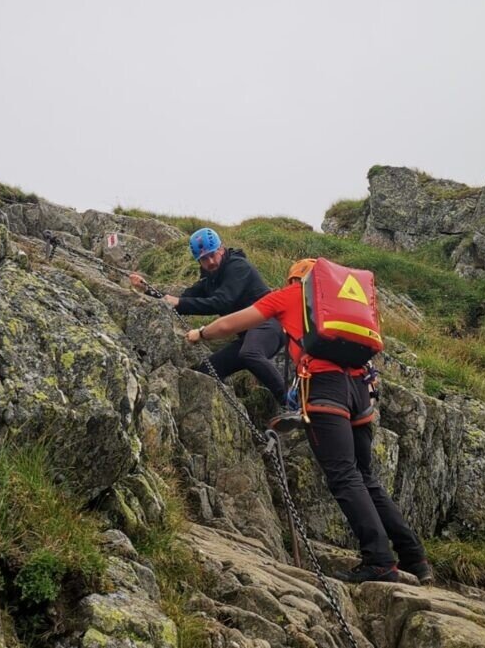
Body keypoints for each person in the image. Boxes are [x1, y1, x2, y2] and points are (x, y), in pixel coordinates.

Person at [184, 258, 433, 585]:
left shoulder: (289, 296)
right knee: (366, 477)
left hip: (324, 388)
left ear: (294, 279)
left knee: (343, 476)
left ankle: (379, 560)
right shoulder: (343, 304)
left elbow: (232, 324)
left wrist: (199, 333)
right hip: (361, 389)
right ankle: (414, 558)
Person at [130, 227, 288, 406]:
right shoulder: (208, 280)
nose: (211, 261)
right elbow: (182, 300)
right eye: (204, 258)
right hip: (247, 335)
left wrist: (179, 303)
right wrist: (148, 290)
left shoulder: (238, 266)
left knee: (250, 353)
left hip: (269, 325)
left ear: (221, 249)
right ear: (198, 260)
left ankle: (290, 401)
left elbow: (222, 302)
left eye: (213, 254)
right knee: (207, 370)